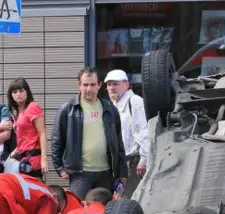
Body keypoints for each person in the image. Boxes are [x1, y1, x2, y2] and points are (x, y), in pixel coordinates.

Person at [52, 68, 127, 199]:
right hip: (79, 173)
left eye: (92, 84)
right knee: (80, 213)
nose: (89, 89)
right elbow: (57, 140)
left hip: (105, 172)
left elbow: (118, 142)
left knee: (104, 213)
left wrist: (122, 172)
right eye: (85, 85)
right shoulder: (67, 109)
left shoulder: (110, 109)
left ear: (99, 85)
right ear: (79, 85)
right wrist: (59, 168)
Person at [105, 70, 150, 197]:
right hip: (121, 164)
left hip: (134, 163)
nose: (111, 87)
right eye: (109, 84)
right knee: (119, 198)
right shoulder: (113, 105)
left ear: (126, 84)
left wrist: (144, 159)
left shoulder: (135, 101)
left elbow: (144, 130)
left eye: (115, 84)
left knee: (130, 200)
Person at [8, 78, 48, 178]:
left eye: (21, 91)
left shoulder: (33, 107)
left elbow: (42, 134)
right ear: (11, 95)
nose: (18, 94)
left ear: (27, 92)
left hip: (33, 159)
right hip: (22, 159)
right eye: (15, 92)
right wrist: (12, 155)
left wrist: (44, 160)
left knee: (33, 191)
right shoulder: (19, 112)